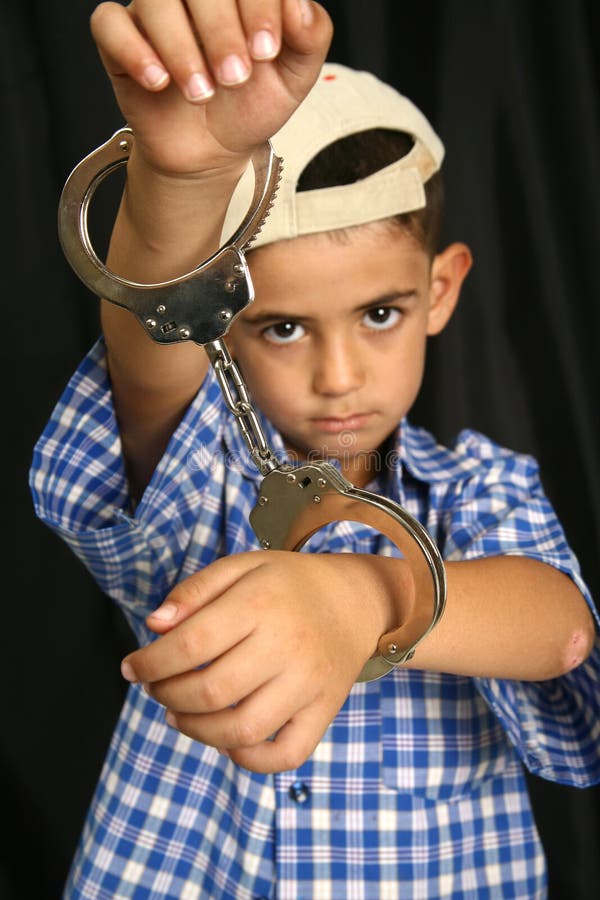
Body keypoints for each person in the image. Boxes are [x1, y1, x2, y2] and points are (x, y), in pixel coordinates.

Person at [30, 1, 600, 897]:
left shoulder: (478, 488)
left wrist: (364, 595)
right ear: (223, 324)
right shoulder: (199, 478)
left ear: (440, 291)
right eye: (284, 326)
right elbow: (151, 355)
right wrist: (180, 177)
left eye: (380, 315)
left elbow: (560, 629)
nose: (340, 377)